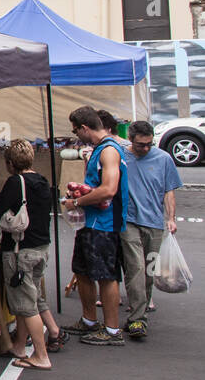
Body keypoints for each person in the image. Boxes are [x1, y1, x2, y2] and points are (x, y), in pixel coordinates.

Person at [0, 140, 66, 368]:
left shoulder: (15, 183)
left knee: (25, 304)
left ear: (10, 163)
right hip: (40, 248)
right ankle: (20, 346)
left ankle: (41, 356)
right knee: (28, 300)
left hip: (19, 251)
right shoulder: (42, 181)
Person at [61, 106, 130, 346]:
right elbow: (98, 186)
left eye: (75, 130)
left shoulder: (109, 151)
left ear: (84, 127)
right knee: (82, 270)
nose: (75, 134)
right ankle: (89, 320)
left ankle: (112, 330)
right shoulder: (99, 150)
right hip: (91, 222)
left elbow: (109, 189)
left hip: (105, 224)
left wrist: (77, 201)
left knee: (106, 275)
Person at [120, 121, 181, 339]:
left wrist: (171, 218)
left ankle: (140, 311)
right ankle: (137, 319)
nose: (145, 149)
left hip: (154, 223)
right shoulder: (121, 158)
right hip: (128, 221)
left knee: (147, 272)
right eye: (140, 145)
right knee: (135, 267)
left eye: (149, 144)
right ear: (130, 139)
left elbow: (169, 191)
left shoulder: (163, 159)